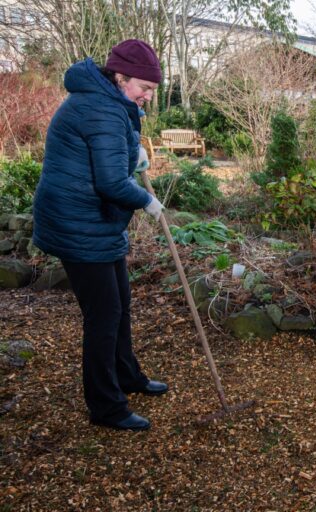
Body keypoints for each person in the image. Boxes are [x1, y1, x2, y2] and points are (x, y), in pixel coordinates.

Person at [33, 39, 168, 431]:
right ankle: (106, 407)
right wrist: (147, 200)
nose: (147, 97)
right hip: (77, 223)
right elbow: (110, 182)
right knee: (103, 315)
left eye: (152, 91)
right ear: (120, 76)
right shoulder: (101, 108)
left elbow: (107, 158)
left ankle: (127, 376)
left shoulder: (109, 102)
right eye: (144, 88)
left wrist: (134, 153)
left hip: (97, 220)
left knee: (120, 304)